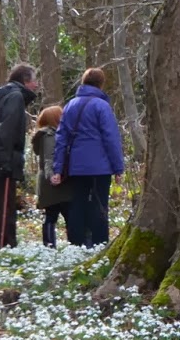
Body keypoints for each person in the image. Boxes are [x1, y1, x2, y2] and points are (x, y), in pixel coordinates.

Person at [51, 67, 125, 247]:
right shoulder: (102, 106)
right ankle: (99, 243)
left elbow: (61, 139)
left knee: (78, 205)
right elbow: (111, 138)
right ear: (101, 83)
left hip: (77, 166)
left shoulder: (70, 106)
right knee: (99, 205)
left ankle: (77, 243)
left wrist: (58, 168)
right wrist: (118, 167)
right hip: (100, 166)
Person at [0, 63, 40, 251]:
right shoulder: (15, 97)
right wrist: (6, 162)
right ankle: (6, 249)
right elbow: (7, 132)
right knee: (4, 211)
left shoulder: (2, 96)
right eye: (34, 81)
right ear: (25, 81)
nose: (36, 85)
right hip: (1, 164)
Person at [29, 105, 73, 247]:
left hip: (48, 181)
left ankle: (50, 245)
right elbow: (49, 157)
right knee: (63, 215)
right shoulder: (49, 135)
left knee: (52, 214)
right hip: (55, 183)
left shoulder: (45, 134)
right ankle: (62, 245)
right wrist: (53, 176)